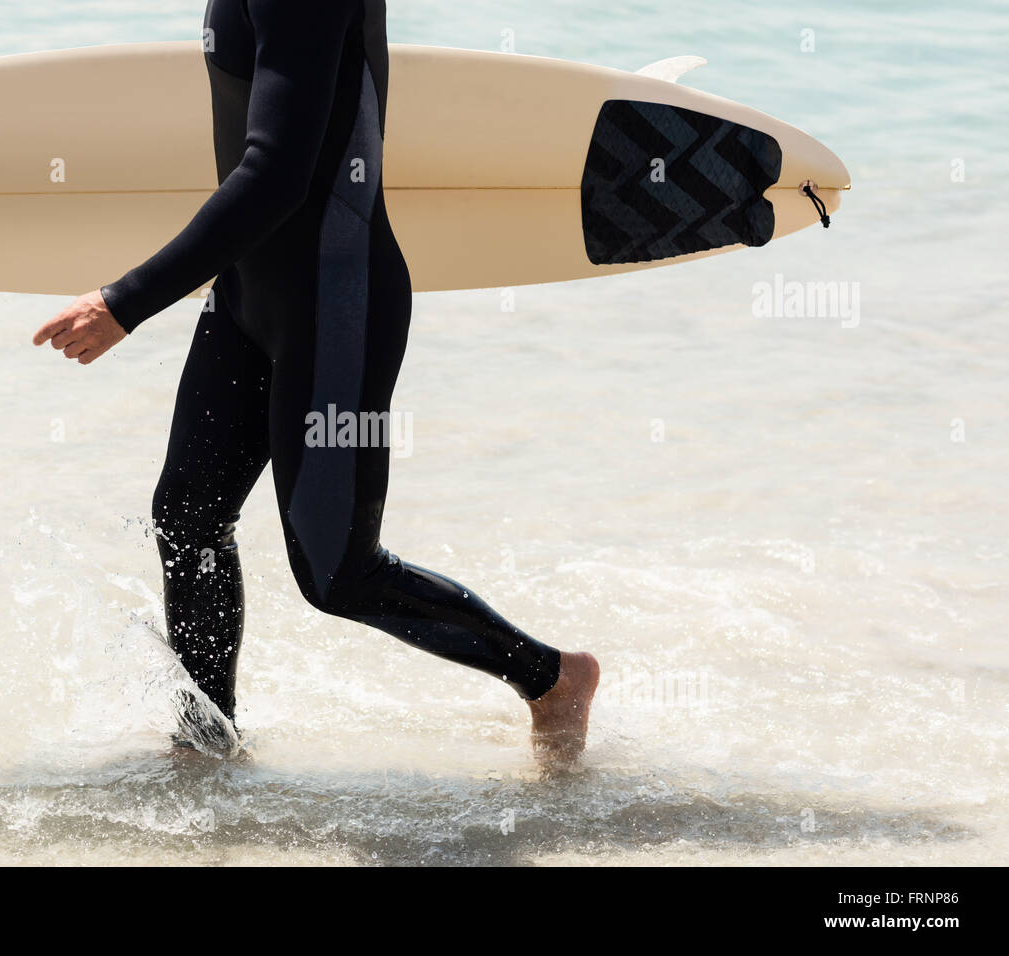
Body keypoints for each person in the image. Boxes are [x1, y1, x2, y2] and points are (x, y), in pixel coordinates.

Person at [32, 0, 598, 765]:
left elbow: (275, 175)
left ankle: (552, 679)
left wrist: (124, 303)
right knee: (189, 517)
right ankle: (206, 746)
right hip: (247, 294)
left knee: (336, 572)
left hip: (338, 302)